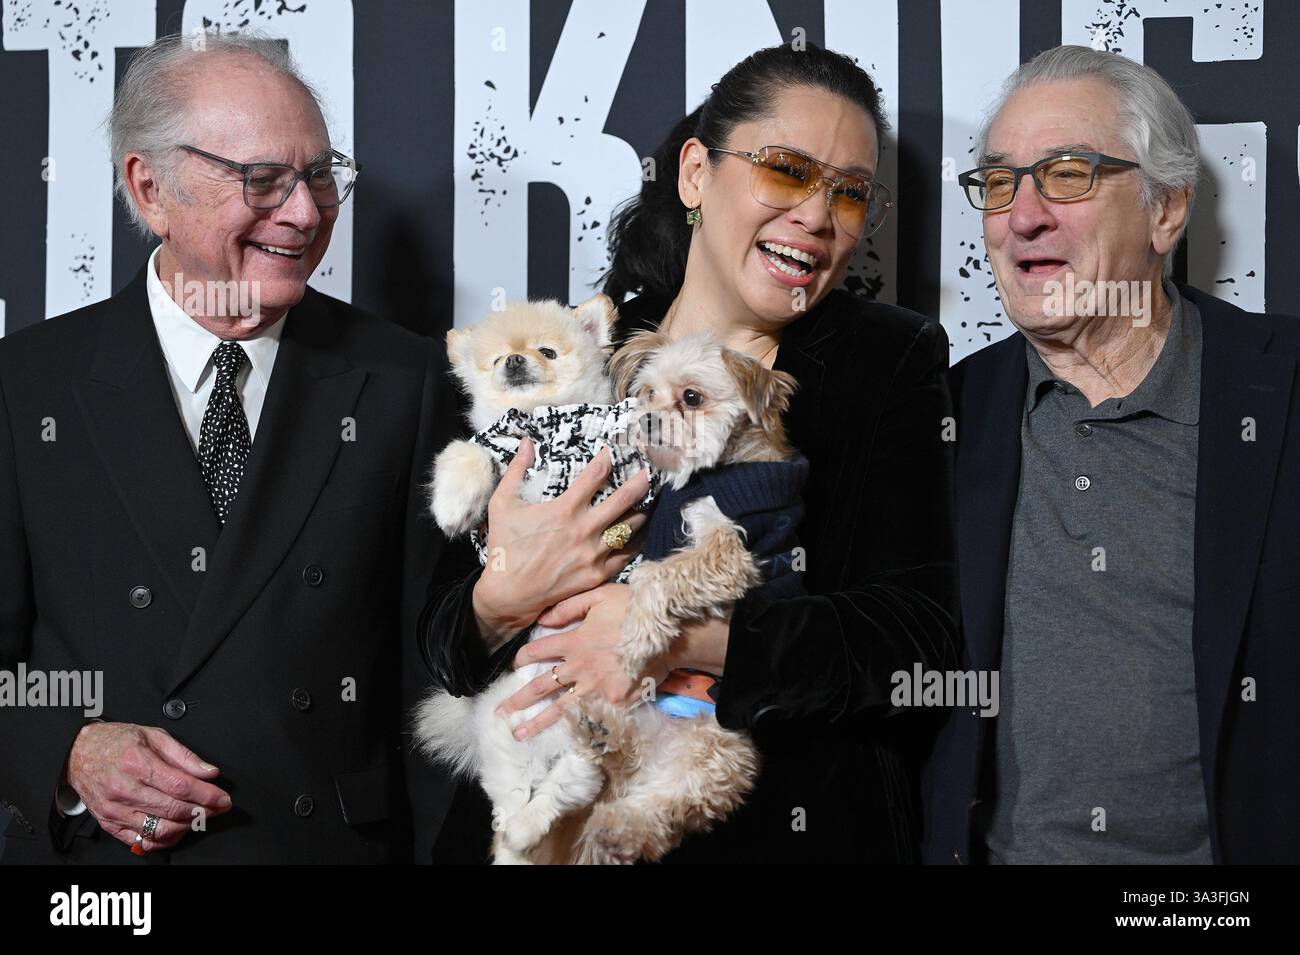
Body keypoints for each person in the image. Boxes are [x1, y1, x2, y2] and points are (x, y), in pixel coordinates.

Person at [420, 43, 959, 863]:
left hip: (767, 826)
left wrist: (682, 637)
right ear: (697, 175)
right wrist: (504, 595)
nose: (817, 215)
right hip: (539, 822)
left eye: (850, 193)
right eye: (785, 170)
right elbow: (440, 630)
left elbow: (917, 638)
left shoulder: (887, 360)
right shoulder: (579, 349)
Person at [0, 33, 452, 863]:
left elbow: (433, 678)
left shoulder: (404, 379)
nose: (306, 213)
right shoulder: (26, 387)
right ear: (151, 188)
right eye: (263, 180)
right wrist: (67, 747)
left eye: (320, 175)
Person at [923, 45, 1300, 864]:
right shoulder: (940, 415)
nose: (1022, 216)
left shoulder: (1285, 393)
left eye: (1066, 174)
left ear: (1166, 210)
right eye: (999, 182)